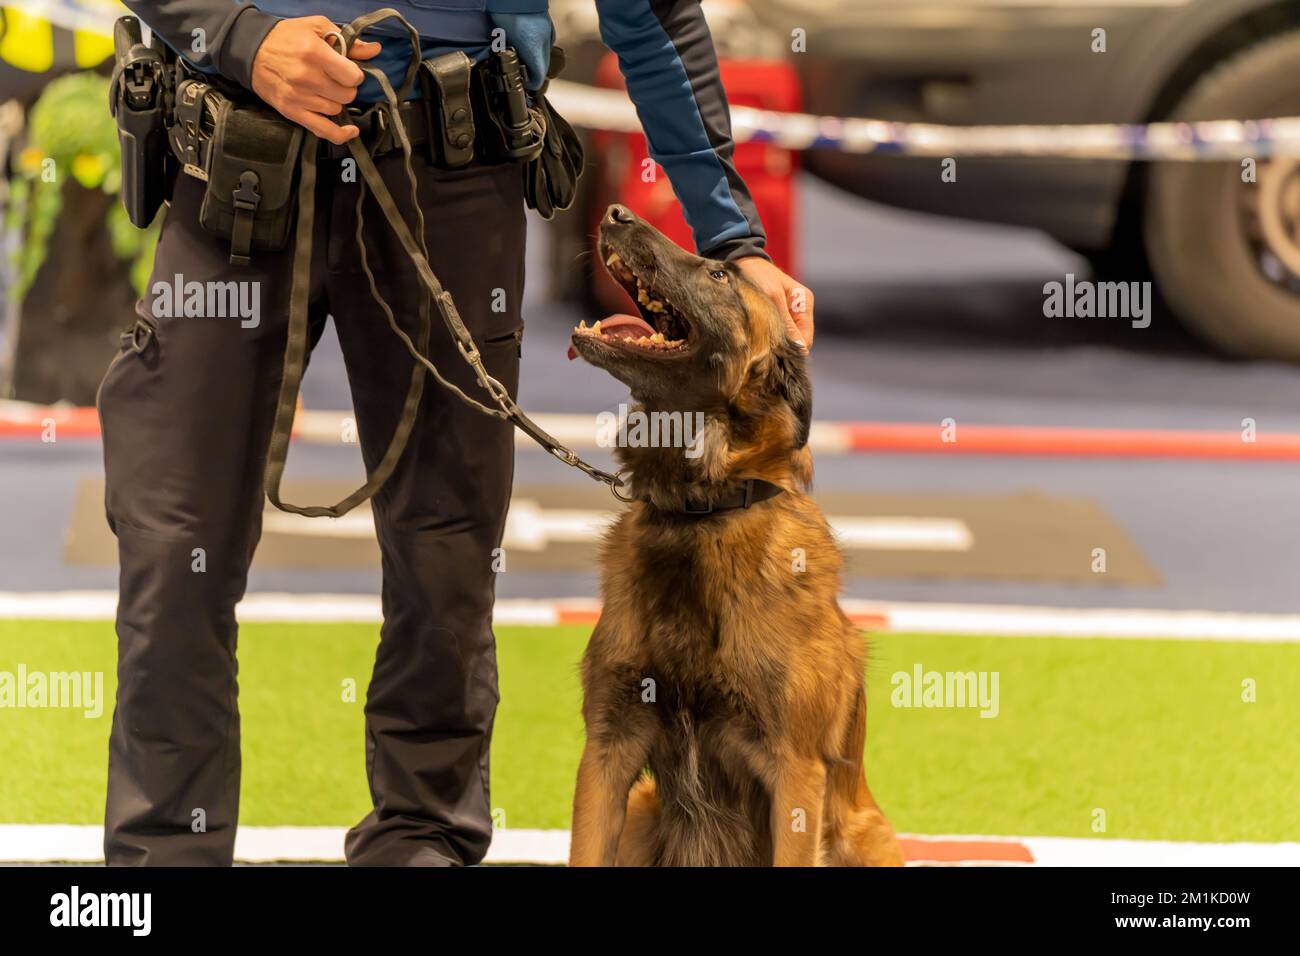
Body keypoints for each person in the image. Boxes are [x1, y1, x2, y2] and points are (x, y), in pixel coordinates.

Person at [102, 0, 815, 866]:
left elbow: (653, 12)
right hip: (232, 161)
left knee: (445, 555)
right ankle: (163, 859)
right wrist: (243, 39)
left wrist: (731, 236)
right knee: (175, 546)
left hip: (452, 168)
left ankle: (421, 840)